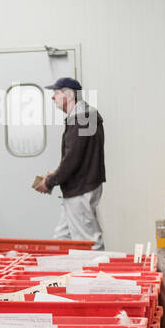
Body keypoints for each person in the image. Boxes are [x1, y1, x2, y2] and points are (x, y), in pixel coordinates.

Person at [33, 77, 106, 250]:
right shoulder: (84, 116)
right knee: (62, 238)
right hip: (79, 187)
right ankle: (63, 274)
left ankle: (98, 275)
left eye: (56, 93)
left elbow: (73, 159)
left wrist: (50, 181)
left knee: (88, 242)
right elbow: (76, 157)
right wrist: (56, 175)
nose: (53, 98)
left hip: (80, 189)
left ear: (69, 95)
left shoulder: (81, 119)